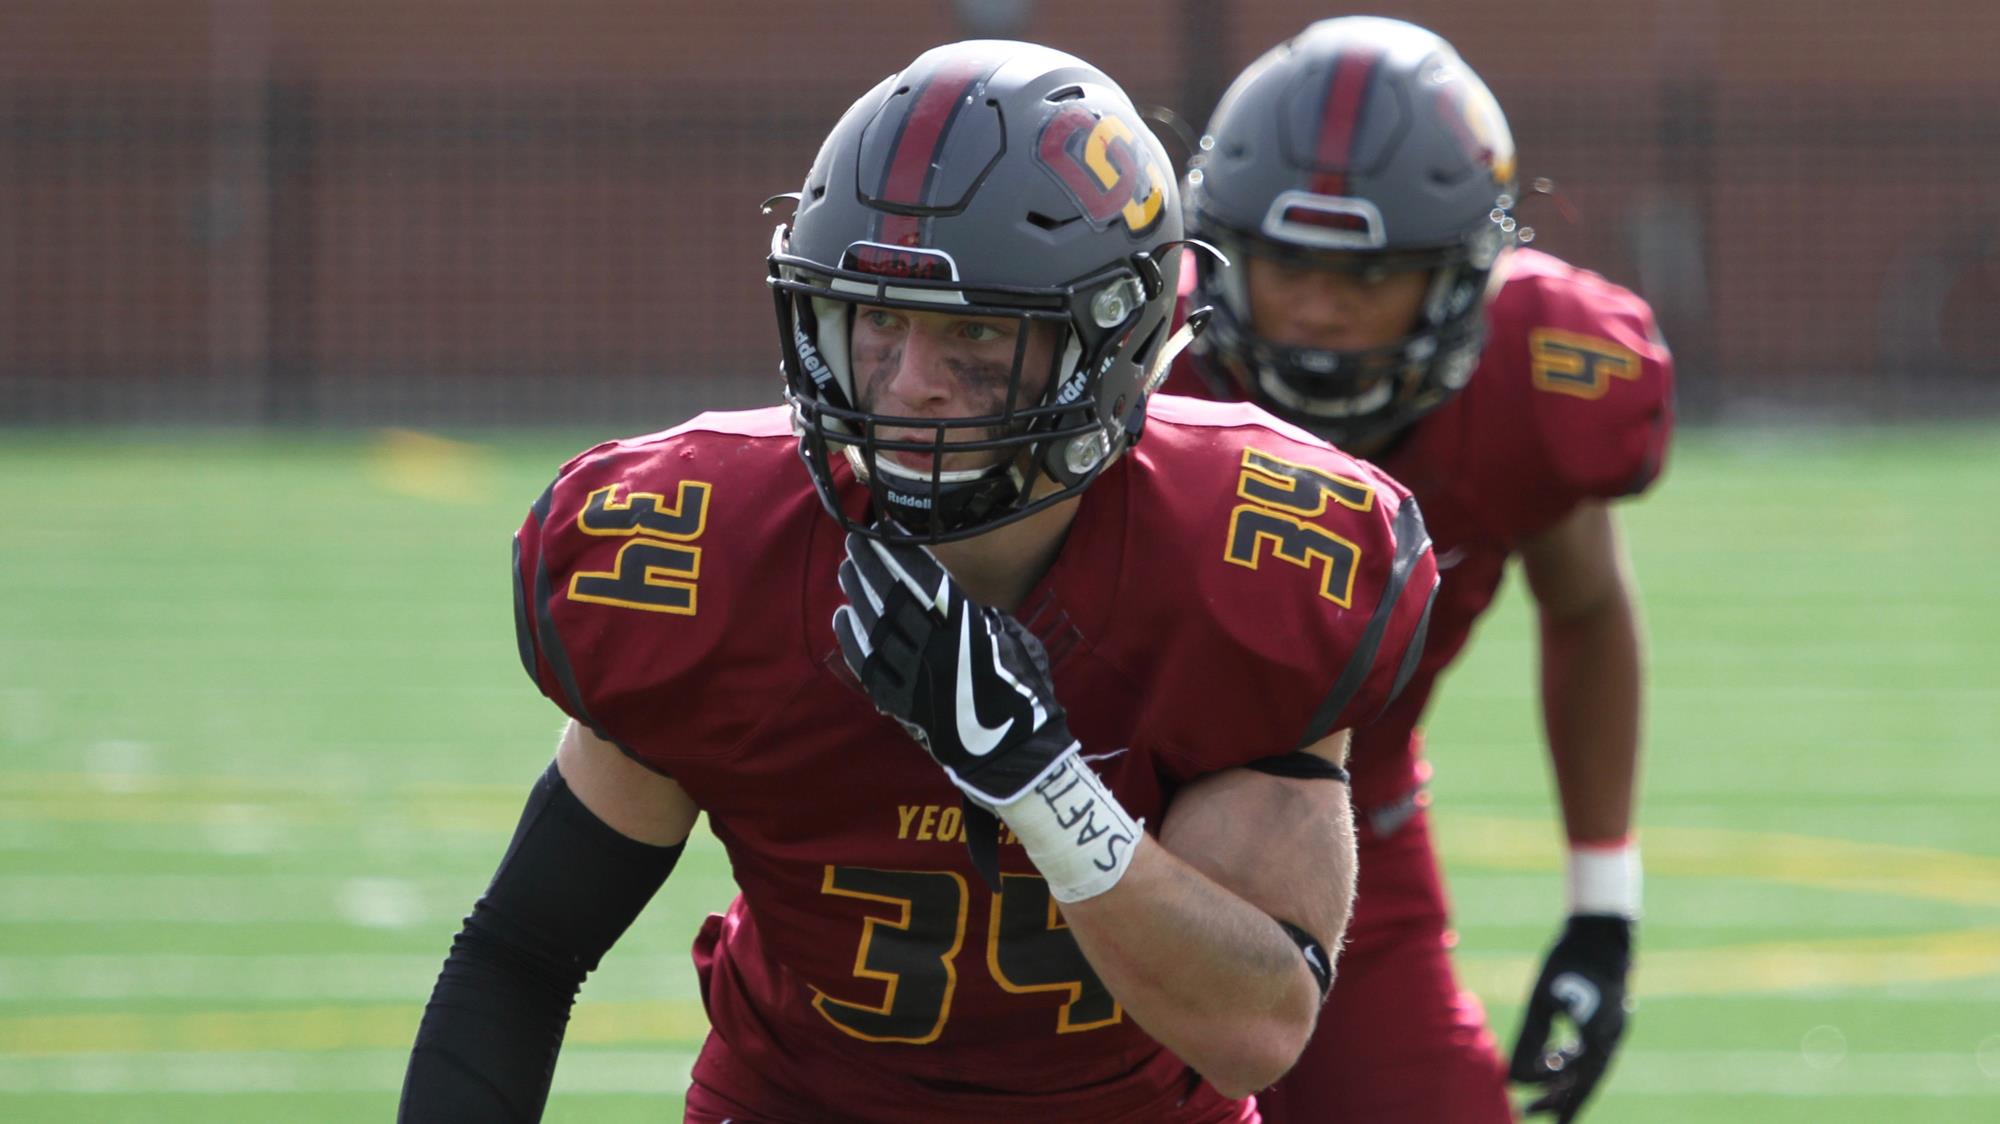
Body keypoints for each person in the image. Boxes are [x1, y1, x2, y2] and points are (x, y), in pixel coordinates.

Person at [400, 39, 1439, 1123]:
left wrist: (1040, 784)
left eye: (976, 332)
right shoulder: (712, 551)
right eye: (879, 319)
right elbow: (522, 952)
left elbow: (1254, 1028)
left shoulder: (1241, 557)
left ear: (1113, 338)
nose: (909, 386)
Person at [1164, 16, 1674, 1124]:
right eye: (1286, 262)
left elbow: (1585, 605)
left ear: (1458, 277)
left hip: (1351, 837)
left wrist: (1602, 905)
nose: (1315, 309)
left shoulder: (1535, 375)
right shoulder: (1133, 358)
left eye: (1368, 273)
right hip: (1080, 845)